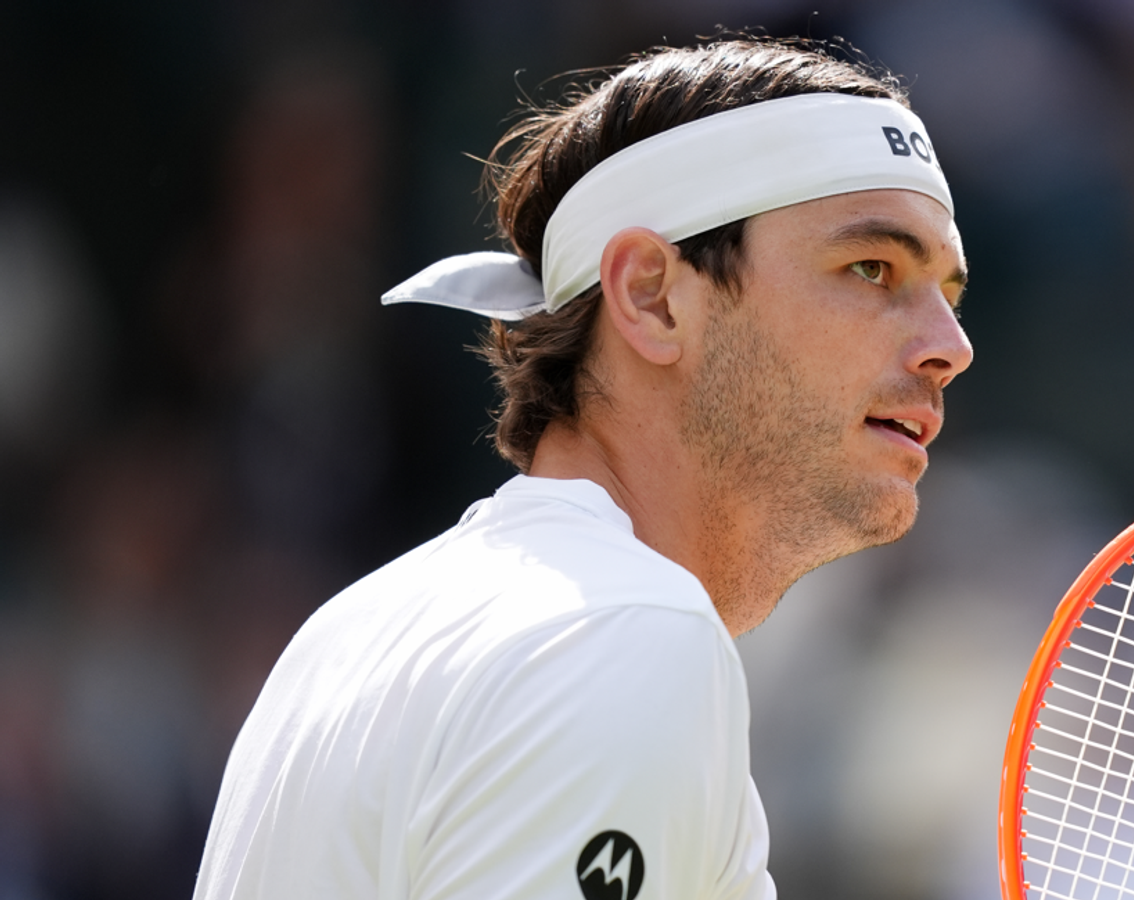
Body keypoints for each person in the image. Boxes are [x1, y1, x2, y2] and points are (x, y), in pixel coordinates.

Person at [192, 39, 971, 900]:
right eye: (872, 268)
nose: (950, 347)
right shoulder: (626, 632)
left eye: (948, 292)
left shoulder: (348, 635)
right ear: (650, 295)